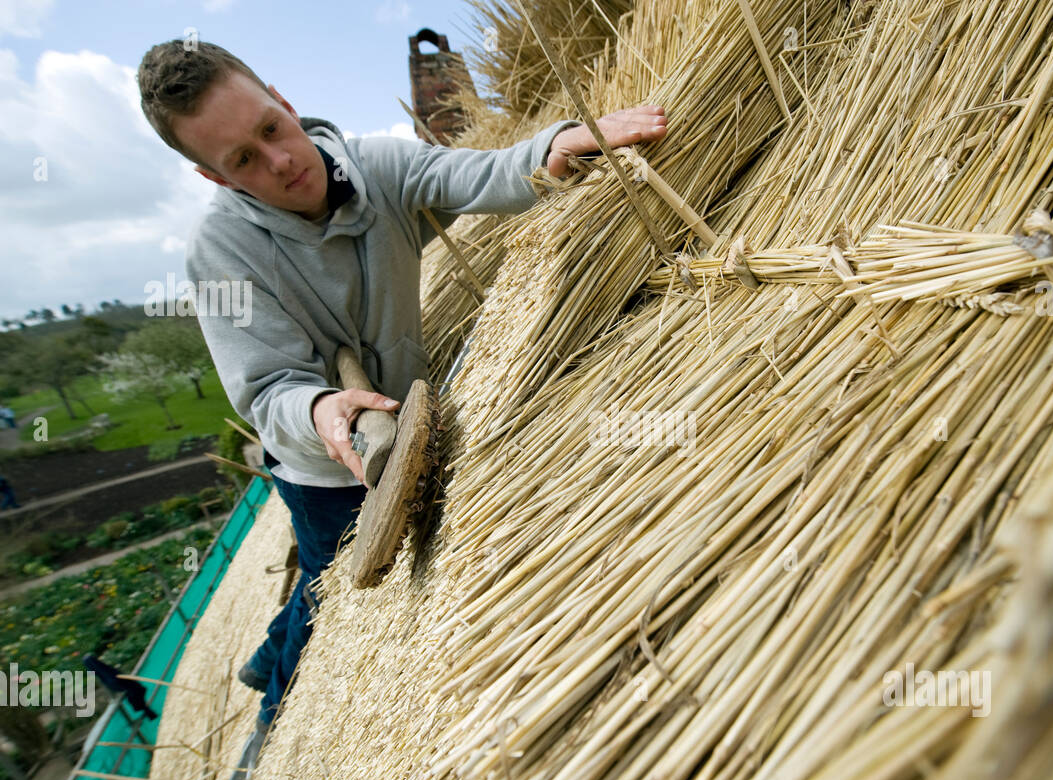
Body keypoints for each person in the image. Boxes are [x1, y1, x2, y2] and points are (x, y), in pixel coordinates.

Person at [136, 40, 666, 732]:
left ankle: (265, 653)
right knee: (330, 589)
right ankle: (274, 703)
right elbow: (269, 390)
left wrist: (556, 147)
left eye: (271, 128)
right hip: (320, 466)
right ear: (216, 179)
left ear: (286, 104)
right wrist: (325, 411)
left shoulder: (379, 167)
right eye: (243, 160)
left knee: (325, 581)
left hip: (401, 416)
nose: (281, 161)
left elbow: (484, 174)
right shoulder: (222, 253)